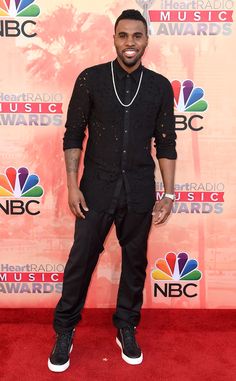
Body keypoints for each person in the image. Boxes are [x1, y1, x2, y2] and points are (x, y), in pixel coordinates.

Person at [48, 9, 177, 372]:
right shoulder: (90, 79)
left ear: (146, 40)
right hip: (96, 188)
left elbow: (166, 143)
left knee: (135, 262)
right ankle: (65, 330)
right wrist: (73, 186)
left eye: (137, 36)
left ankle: (126, 326)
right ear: (114, 38)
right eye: (123, 35)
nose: (130, 43)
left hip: (138, 188)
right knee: (80, 261)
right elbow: (73, 135)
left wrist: (168, 193)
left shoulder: (159, 86)